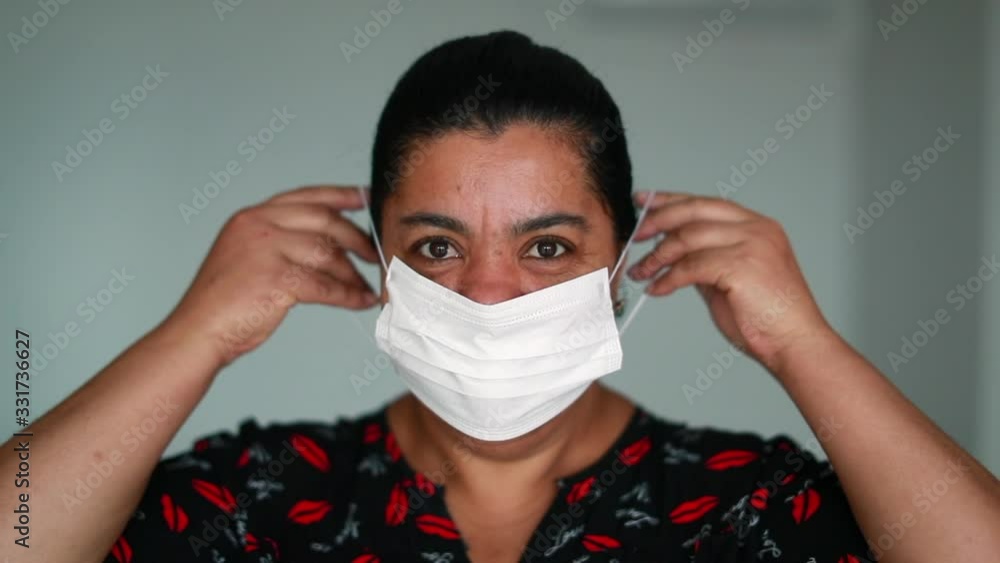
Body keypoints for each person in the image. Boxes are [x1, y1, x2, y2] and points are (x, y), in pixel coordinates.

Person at [3, 30, 998, 563]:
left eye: (548, 243)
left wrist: (804, 345)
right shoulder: (256, 496)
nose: (486, 290)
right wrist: (195, 334)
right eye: (436, 243)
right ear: (378, 259)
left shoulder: (748, 506)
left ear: (622, 265)